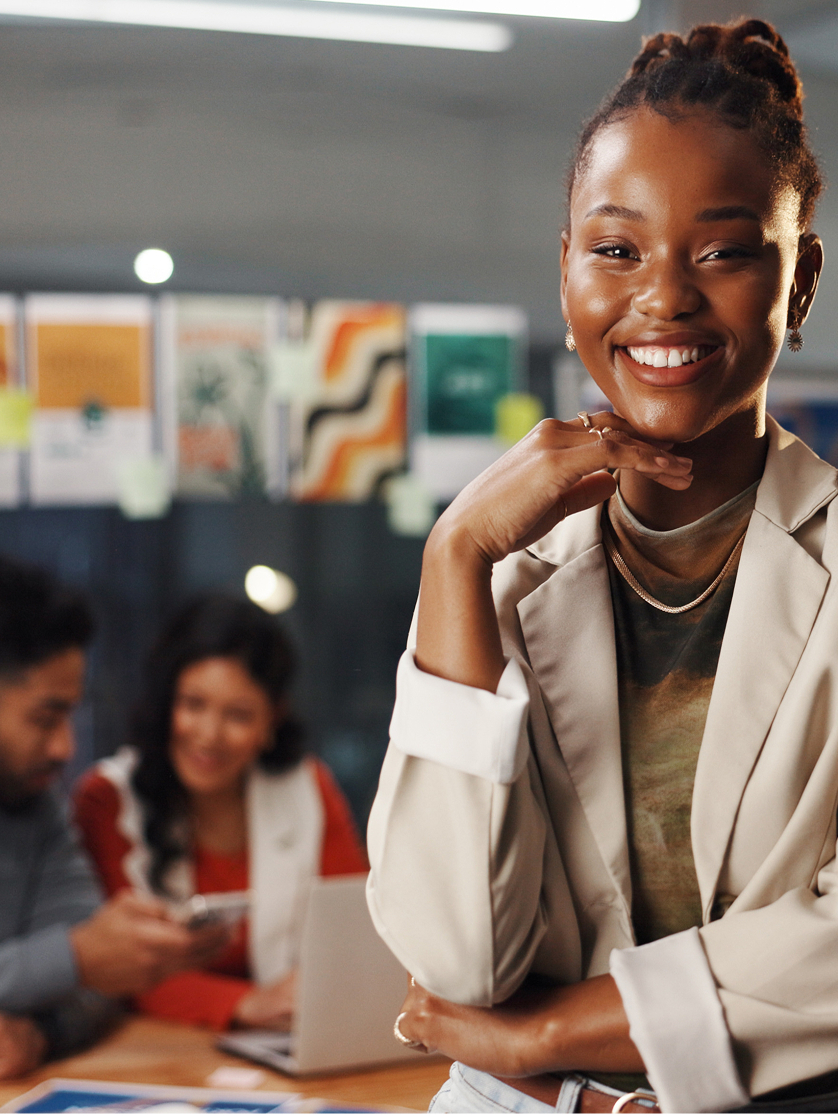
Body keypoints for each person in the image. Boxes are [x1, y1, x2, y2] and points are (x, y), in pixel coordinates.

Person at [366, 18, 838, 1115]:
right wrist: (453, 553)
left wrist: (541, 1030)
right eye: (615, 249)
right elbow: (456, 961)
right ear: (567, 268)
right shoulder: (500, 567)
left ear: (800, 279)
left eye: (719, 249)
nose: (662, 298)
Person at [74, 594, 368, 1032]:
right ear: (166, 702)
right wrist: (247, 1004)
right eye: (193, 705)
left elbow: (353, 932)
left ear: (272, 721)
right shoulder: (106, 798)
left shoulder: (309, 787)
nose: (209, 735)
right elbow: (119, 968)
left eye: (238, 715)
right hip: (151, 1049)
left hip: (287, 1046)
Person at [0, 556, 227, 1081]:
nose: (64, 747)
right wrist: (72, 958)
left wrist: (39, 1033)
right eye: (44, 716)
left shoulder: (40, 809)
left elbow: (102, 988)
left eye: (69, 717)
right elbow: (86, 960)